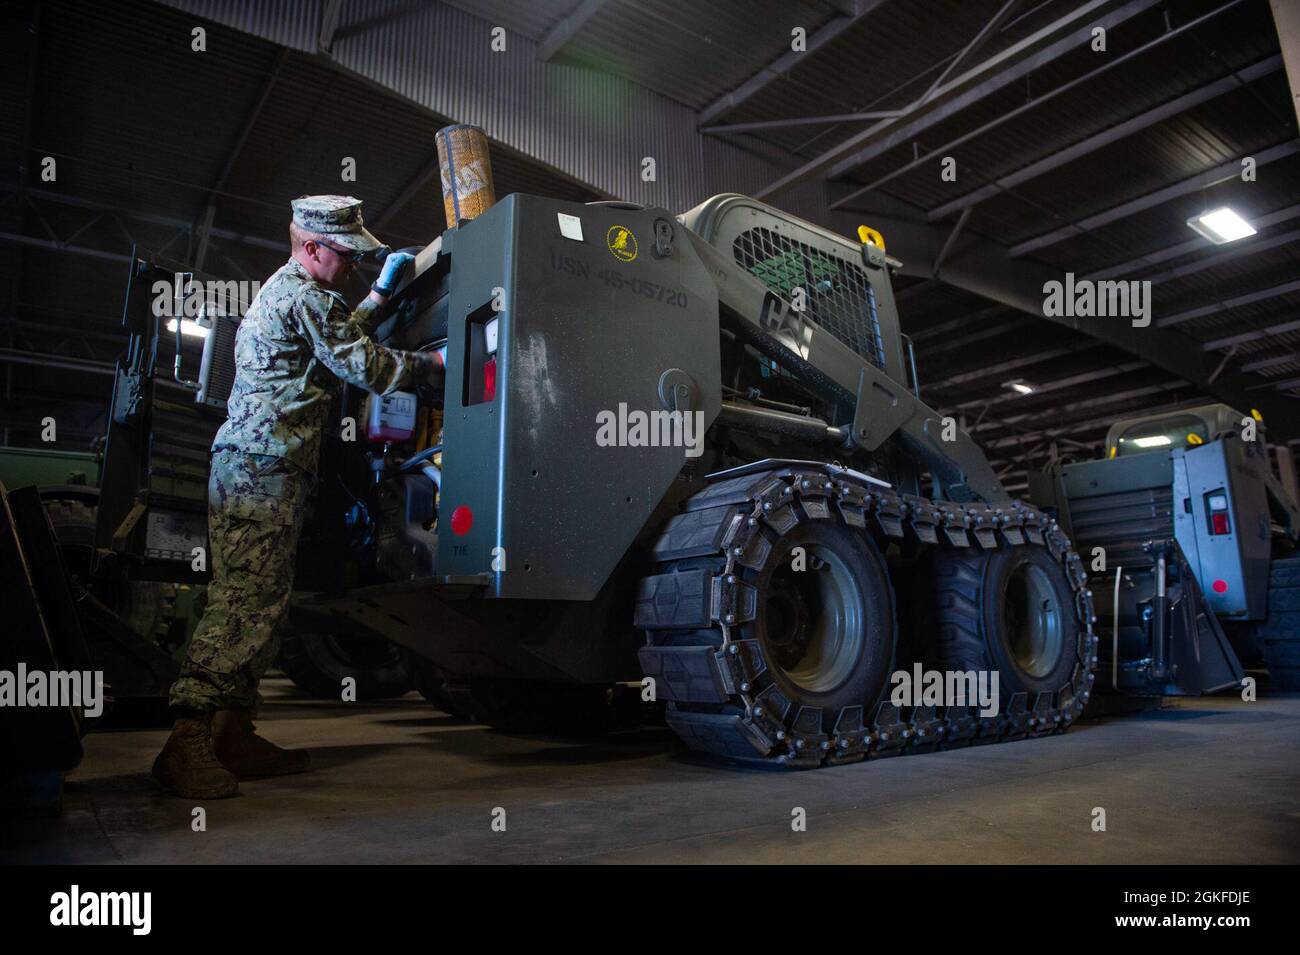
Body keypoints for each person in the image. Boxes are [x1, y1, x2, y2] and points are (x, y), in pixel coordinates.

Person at [152, 195, 441, 798]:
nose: (355, 266)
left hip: (263, 466)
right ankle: (188, 740)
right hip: (264, 469)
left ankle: (232, 733)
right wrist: (435, 362)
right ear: (311, 248)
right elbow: (363, 364)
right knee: (243, 603)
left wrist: (379, 299)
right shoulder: (303, 296)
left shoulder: (292, 294)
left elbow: (335, 337)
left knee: (265, 603)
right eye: (347, 256)